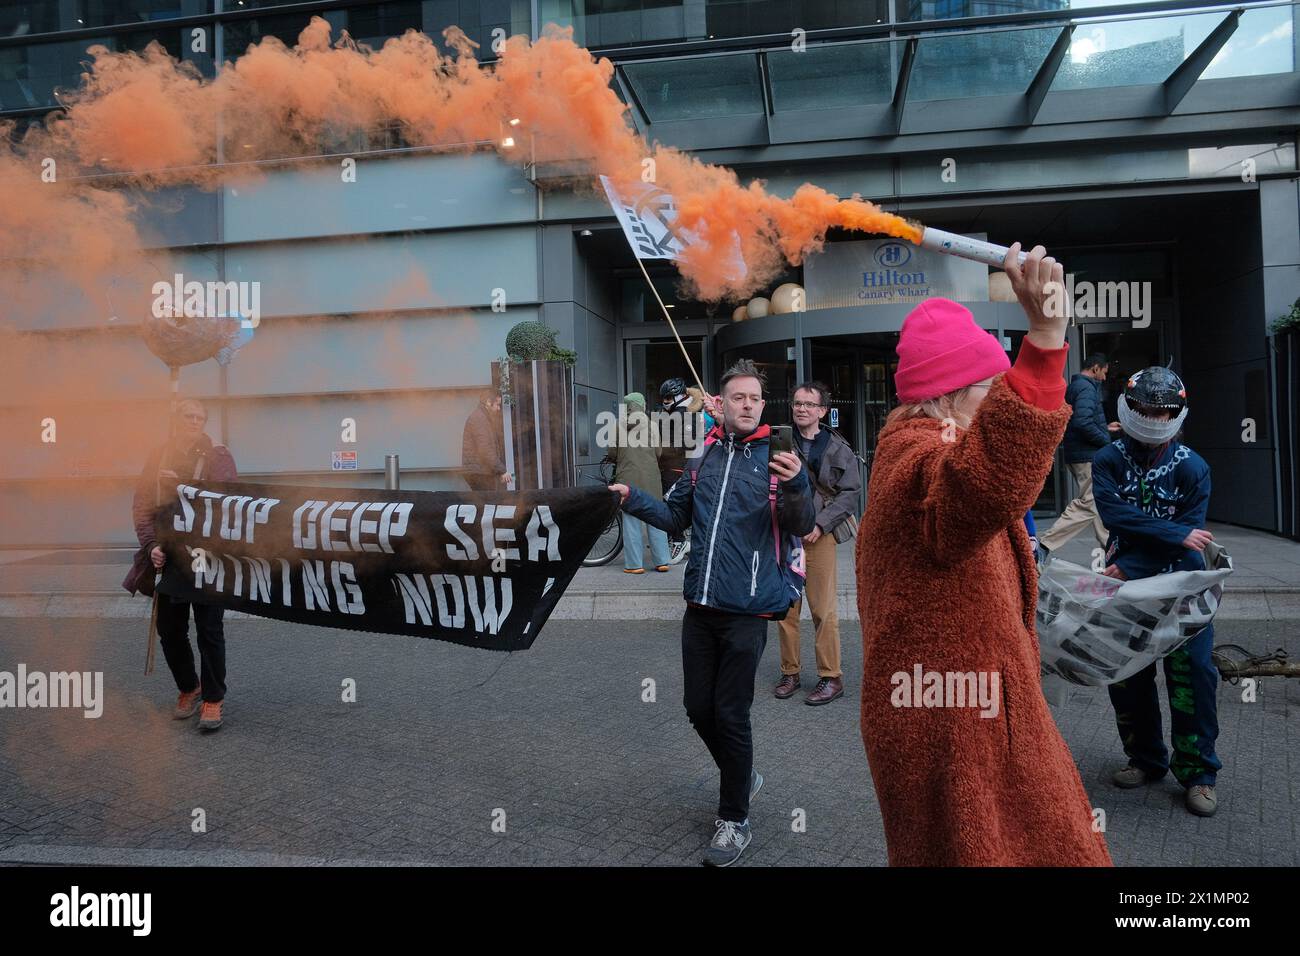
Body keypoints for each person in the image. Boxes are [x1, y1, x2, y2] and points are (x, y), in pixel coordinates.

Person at [855, 246, 1112, 866]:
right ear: (947, 398)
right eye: (990, 388)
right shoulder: (918, 458)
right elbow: (984, 485)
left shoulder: (922, 448)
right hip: (953, 719)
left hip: (961, 710)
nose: (999, 397)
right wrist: (1047, 338)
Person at [611, 359, 815, 866]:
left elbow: (801, 524)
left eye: (755, 398)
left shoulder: (780, 457)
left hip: (748, 609)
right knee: (697, 709)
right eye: (738, 398)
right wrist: (632, 497)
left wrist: (796, 486)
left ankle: (733, 818)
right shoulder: (703, 456)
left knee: (730, 714)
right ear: (721, 405)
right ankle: (742, 777)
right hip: (699, 605)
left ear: (763, 405)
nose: (747, 405)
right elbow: (675, 515)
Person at [1092, 367, 1221, 817]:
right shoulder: (1107, 459)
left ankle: (1200, 773)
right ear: (1129, 407)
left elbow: (1192, 536)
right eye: (1145, 407)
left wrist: (1131, 561)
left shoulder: (1193, 467)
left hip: (1183, 589)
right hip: (1128, 590)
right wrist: (1172, 537)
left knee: (1195, 677)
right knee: (1127, 676)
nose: (1152, 416)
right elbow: (1114, 516)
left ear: (1176, 413)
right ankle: (1145, 759)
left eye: (1161, 410)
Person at [123, 398, 238, 733]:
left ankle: (214, 699)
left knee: (209, 630)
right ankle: (189, 688)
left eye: (199, 417)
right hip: (168, 555)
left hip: (207, 555)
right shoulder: (158, 455)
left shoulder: (219, 455)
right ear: (177, 420)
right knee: (170, 631)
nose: (193, 421)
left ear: (205, 422)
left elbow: (228, 502)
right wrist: (151, 545)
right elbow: (142, 504)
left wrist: (182, 485)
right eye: (187, 415)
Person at [774, 381, 861, 705]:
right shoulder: (780, 441)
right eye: (797, 403)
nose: (801, 409)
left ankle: (830, 677)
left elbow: (850, 493)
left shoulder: (838, 448)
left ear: (822, 410)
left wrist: (821, 524)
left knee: (823, 610)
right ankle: (790, 672)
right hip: (786, 537)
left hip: (819, 538)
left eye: (809, 404)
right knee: (786, 609)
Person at [1038, 352, 1121, 557]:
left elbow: (1082, 419)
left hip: (1081, 454)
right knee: (1090, 502)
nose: (1104, 377)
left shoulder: (1077, 386)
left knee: (1098, 502)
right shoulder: (1086, 387)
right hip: (1087, 456)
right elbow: (1082, 422)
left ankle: (1111, 553)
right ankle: (1045, 545)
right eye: (1104, 372)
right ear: (1095, 368)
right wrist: (1105, 440)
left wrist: (1105, 427)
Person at [608, 392, 671, 574]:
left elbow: (613, 452)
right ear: (642, 405)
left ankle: (635, 565)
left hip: (627, 479)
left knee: (631, 521)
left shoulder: (618, 426)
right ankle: (661, 561)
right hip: (651, 479)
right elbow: (658, 452)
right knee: (656, 518)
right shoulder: (651, 425)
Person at [461, 389, 509, 492]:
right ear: (488, 402)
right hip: (479, 472)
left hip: (479, 471)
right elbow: (485, 449)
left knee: (484, 504)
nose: (498, 408)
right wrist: (502, 470)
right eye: (497, 404)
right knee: (487, 503)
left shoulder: (483, 418)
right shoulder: (480, 419)